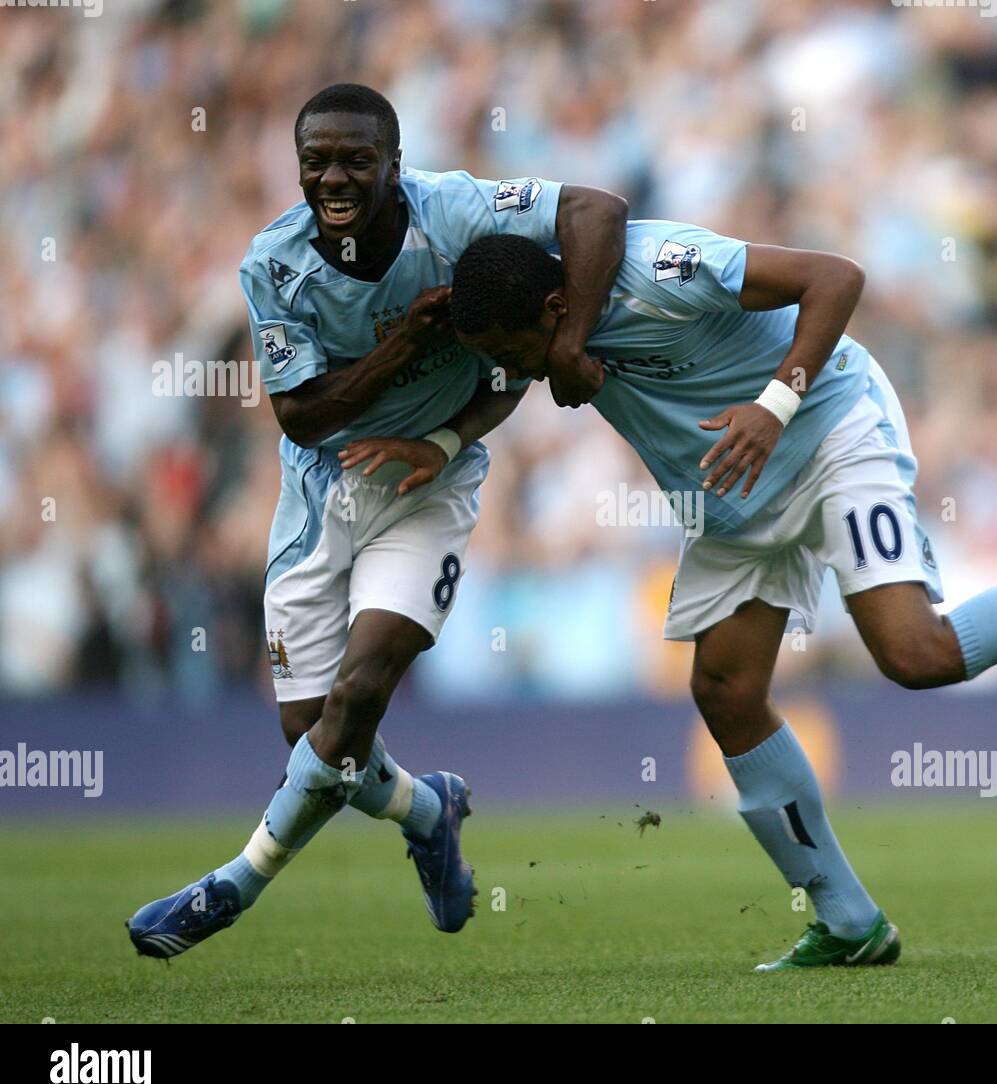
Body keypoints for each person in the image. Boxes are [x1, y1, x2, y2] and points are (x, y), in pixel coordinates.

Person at [338, 223, 997, 971]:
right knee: (726, 692)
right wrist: (452, 442)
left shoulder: (663, 269)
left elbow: (836, 274)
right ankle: (848, 919)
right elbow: (508, 379)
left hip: (825, 430)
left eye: (523, 349)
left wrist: (776, 401)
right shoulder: (540, 334)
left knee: (917, 652)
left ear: (556, 305)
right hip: (734, 488)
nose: (528, 372)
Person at [125, 84, 628, 959]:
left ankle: (230, 886)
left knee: (357, 698)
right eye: (316, 159)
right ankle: (428, 809)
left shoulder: (454, 209)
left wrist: (571, 342)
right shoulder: (273, 264)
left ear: (395, 163)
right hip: (321, 487)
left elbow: (595, 207)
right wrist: (403, 343)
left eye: (357, 158)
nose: (335, 176)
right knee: (314, 734)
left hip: (428, 482)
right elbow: (304, 417)